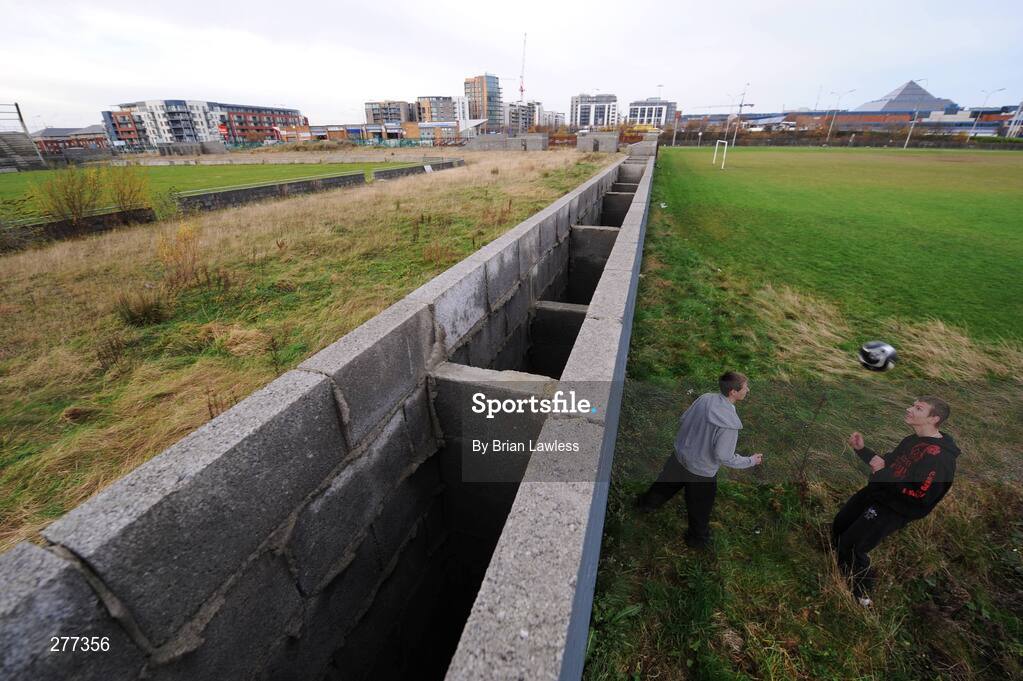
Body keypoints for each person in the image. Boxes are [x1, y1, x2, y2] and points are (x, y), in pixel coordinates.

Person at [834, 396, 960, 607]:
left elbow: (921, 496)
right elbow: (888, 465)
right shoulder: (913, 440)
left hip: (894, 509)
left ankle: (861, 598)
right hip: (877, 493)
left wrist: (883, 475)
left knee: (855, 546)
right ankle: (838, 568)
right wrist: (862, 450)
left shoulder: (940, 459)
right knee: (841, 525)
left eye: (918, 408)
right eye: (913, 405)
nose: (909, 409)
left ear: (934, 419)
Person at [636, 371, 764, 548]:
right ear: (733, 392)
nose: (748, 390)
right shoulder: (729, 424)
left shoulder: (705, 398)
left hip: (679, 458)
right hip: (701, 473)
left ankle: (645, 505)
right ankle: (697, 540)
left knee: (663, 486)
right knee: (700, 508)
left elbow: (684, 418)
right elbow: (724, 456)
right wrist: (751, 461)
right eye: (745, 387)